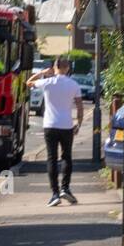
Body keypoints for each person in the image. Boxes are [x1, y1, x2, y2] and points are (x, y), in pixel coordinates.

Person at [27, 57, 85, 207]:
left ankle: (55, 193)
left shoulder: (47, 82)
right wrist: (79, 123)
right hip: (66, 125)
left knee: (52, 158)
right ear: (67, 68)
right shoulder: (74, 85)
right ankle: (65, 188)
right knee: (66, 157)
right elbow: (79, 106)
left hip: (50, 125)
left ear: (55, 67)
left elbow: (28, 83)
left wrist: (43, 72)